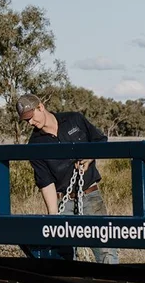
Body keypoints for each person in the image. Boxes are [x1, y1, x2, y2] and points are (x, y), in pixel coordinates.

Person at [16, 94, 119, 264]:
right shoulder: (35, 144)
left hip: (91, 196)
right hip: (65, 200)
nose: (30, 123)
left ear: (41, 107)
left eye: (31, 117)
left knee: (105, 248)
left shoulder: (74, 120)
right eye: (26, 121)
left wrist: (89, 156)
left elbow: (99, 140)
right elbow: (45, 182)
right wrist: (53, 216)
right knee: (66, 254)